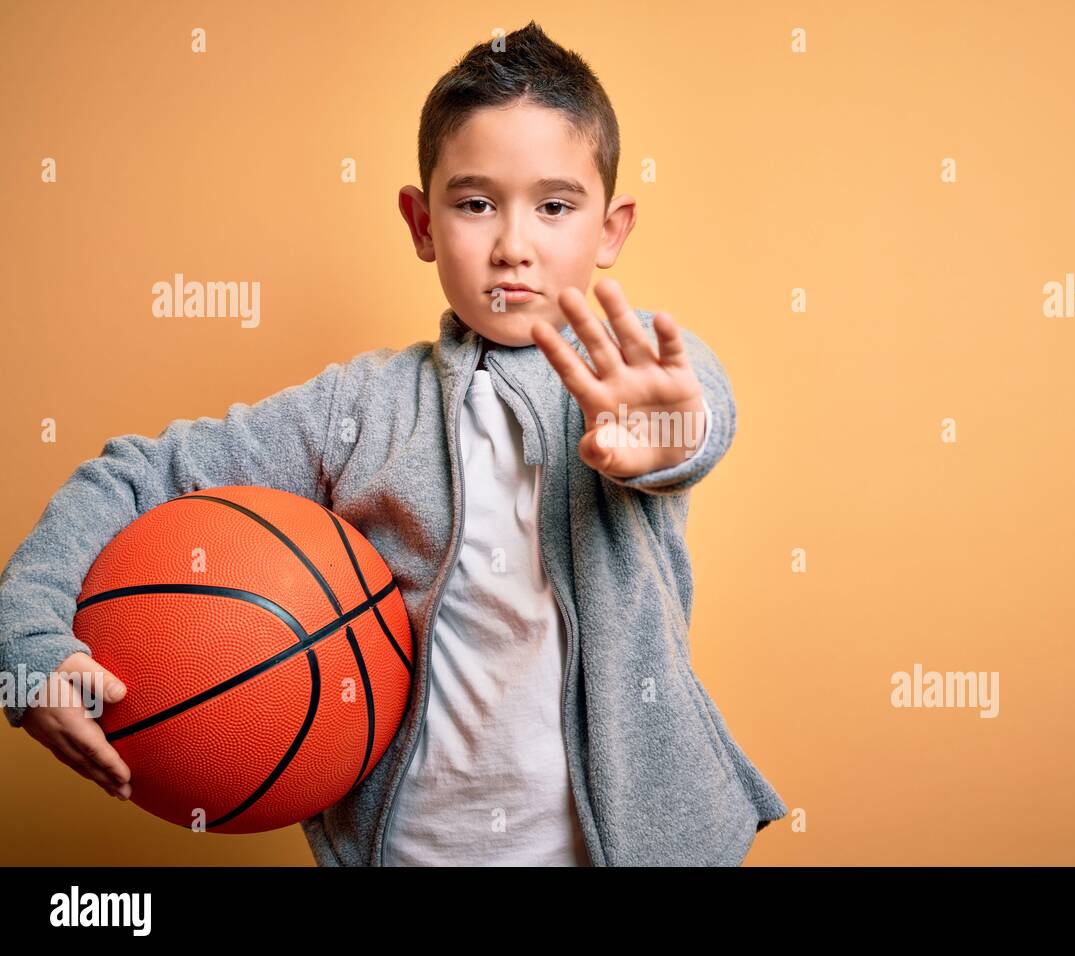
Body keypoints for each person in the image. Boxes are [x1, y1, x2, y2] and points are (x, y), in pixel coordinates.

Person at [0, 20, 786, 866]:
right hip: (414, 848)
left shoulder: (631, 372)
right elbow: (137, 476)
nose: (514, 245)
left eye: (555, 206)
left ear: (610, 229)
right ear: (420, 223)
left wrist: (668, 429)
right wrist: (29, 644)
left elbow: (698, 418)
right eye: (475, 202)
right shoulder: (358, 408)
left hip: (630, 847)